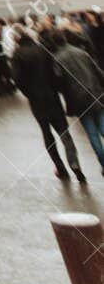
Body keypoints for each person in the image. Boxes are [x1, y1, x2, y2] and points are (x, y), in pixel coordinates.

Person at [11, 28, 86, 183]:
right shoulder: (43, 50)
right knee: (64, 132)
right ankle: (74, 164)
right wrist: (55, 88)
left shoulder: (17, 55)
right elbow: (55, 73)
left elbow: (18, 80)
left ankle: (60, 167)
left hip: (36, 101)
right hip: (52, 97)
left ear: (17, 39)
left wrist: (29, 93)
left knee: (47, 133)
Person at [52, 29, 104, 174]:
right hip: (96, 95)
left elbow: (59, 84)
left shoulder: (57, 59)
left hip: (78, 101)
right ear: (64, 38)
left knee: (93, 135)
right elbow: (98, 72)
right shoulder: (81, 52)